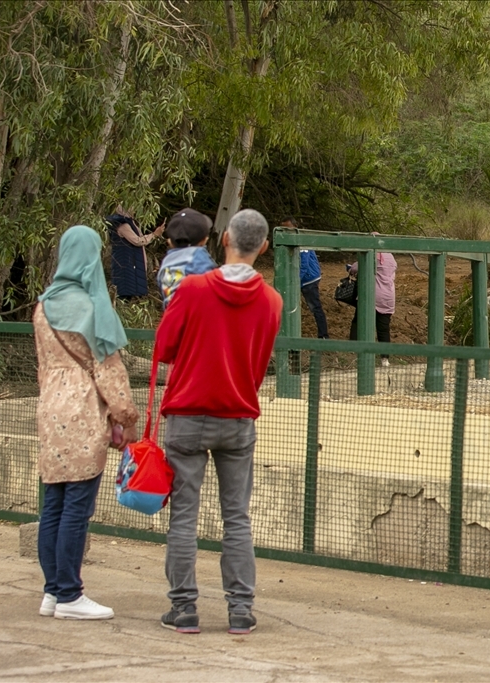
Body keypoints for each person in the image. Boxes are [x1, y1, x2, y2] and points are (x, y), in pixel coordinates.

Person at [155, 209, 282, 635]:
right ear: (263, 247)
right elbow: (260, 362)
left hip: (188, 414)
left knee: (184, 517)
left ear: (224, 238)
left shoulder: (190, 290)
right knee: (237, 516)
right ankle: (241, 608)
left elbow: (166, 346)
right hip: (238, 414)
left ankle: (184, 607)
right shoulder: (272, 301)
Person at [34, 225, 139, 620]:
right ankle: (70, 596)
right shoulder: (92, 307)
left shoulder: (43, 306)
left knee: (54, 506)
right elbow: (108, 370)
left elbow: (45, 365)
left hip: (50, 407)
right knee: (78, 507)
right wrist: (125, 418)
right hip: (82, 410)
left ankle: (52, 591)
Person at [347, 233, 397, 366]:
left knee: (359, 322)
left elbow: (355, 268)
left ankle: (354, 351)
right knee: (383, 329)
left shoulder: (371, 253)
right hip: (388, 297)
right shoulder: (390, 256)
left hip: (372, 296)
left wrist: (351, 268)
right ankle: (385, 359)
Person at [157, 208, 217, 307]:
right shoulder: (198, 257)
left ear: (170, 242)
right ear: (204, 240)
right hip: (196, 317)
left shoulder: (167, 262)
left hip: (172, 316)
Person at [281, 217, 328, 338]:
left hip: (309, 279)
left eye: (288, 228)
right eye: (283, 229)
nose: (286, 231)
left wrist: (294, 282)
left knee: (315, 307)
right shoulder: (289, 241)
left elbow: (304, 265)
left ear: (295, 227)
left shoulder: (301, 241)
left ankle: (323, 336)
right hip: (302, 278)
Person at [106, 205, 165, 299]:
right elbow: (138, 241)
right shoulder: (123, 225)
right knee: (125, 293)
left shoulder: (128, 223)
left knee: (130, 292)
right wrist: (154, 234)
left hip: (129, 264)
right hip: (126, 265)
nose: (134, 210)